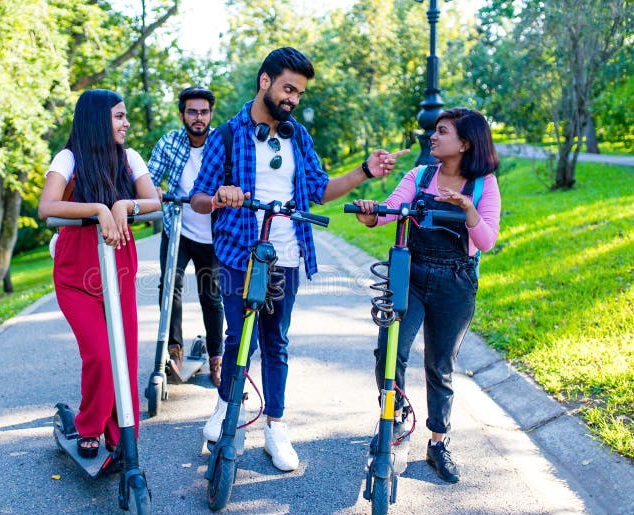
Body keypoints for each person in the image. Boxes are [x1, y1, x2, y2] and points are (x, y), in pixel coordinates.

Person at [189, 47, 408, 471]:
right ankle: (225, 408)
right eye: (288, 89)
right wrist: (219, 197)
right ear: (264, 81)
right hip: (239, 254)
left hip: (287, 255)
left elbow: (317, 190)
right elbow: (198, 198)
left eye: (300, 93)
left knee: (276, 341)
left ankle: (276, 426)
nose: (293, 100)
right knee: (239, 339)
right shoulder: (228, 136)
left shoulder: (298, 138)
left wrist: (364, 170)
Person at [351, 107, 501, 483]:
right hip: (411, 274)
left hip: (456, 281)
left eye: (442, 131)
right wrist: (369, 213)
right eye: (435, 131)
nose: (433, 137)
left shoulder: (484, 185)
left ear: (465, 143)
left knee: (440, 364)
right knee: (390, 350)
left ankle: (438, 441)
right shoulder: (419, 176)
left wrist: (467, 208)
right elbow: (387, 213)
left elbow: (486, 240)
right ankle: (395, 415)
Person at [38, 89, 160, 459]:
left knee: (123, 355)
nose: (127, 123)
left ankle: (121, 433)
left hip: (118, 270)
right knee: (100, 356)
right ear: (97, 120)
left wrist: (123, 204)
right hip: (77, 275)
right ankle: (89, 425)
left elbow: (155, 203)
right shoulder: (68, 158)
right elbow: (47, 207)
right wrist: (98, 209)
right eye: (119, 116)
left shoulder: (130, 158)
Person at [148, 86, 225, 386]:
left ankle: (217, 357)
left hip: (211, 232)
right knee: (170, 287)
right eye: (192, 112)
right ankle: (174, 349)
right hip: (177, 227)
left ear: (210, 115)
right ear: (182, 114)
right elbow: (149, 180)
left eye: (204, 112)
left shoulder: (220, 143)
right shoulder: (169, 142)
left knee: (211, 294)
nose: (198, 118)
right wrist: (152, 191)